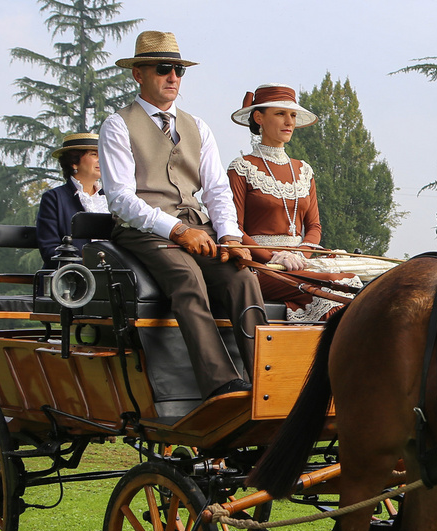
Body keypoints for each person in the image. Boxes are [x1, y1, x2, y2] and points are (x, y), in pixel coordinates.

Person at [97, 31, 262, 401]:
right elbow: (121, 199)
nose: (174, 77)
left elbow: (217, 189)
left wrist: (231, 238)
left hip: (197, 225)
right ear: (138, 74)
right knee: (187, 278)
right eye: (164, 69)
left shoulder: (197, 127)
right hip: (143, 230)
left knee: (243, 279)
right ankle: (221, 385)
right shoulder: (117, 125)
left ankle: (265, 378)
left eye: (179, 70)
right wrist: (176, 231)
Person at [227, 86, 361, 322]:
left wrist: (301, 255)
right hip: (258, 264)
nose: (289, 122)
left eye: (293, 115)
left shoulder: (304, 170)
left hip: (300, 259)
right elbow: (234, 228)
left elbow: (314, 227)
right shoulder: (241, 167)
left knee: (352, 282)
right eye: (280, 114)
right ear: (259, 118)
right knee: (329, 288)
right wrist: (272, 257)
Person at [35, 133, 108, 265]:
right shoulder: (54, 199)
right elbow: (50, 250)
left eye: (102, 154)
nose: (101, 160)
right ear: (74, 162)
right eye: (94, 154)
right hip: (70, 278)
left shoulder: (111, 199)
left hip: (112, 276)